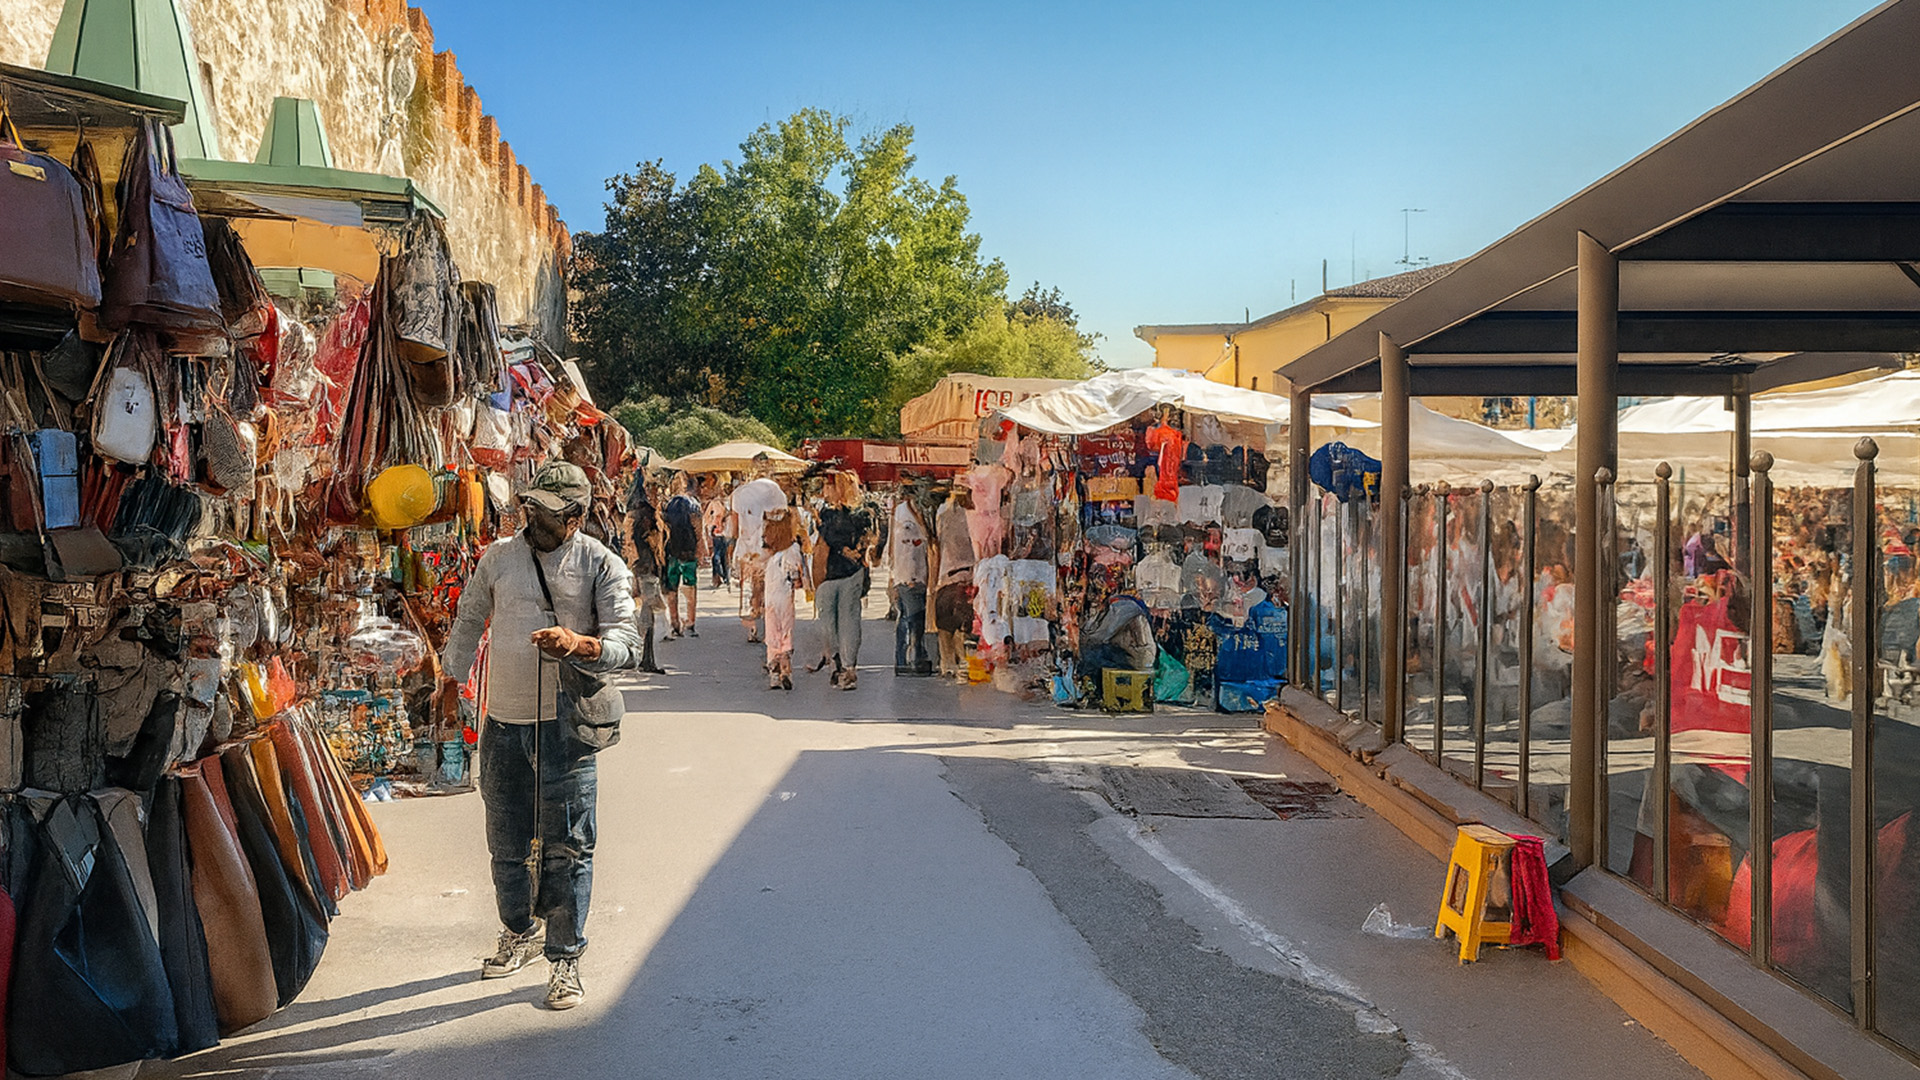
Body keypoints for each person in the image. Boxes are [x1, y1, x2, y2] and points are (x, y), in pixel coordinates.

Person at [442, 463, 639, 1011]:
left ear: (574, 517)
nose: (533, 516)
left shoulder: (601, 564)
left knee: (569, 846)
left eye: (548, 511)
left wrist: (580, 644)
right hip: (502, 724)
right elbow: (468, 618)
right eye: (531, 505)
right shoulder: (498, 558)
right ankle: (518, 931)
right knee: (505, 843)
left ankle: (565, 959)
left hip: (566, 728)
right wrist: (450, 679)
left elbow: (627, 639)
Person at [812, 471, 874, 690]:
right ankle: (848, 668)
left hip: (829, 574)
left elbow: (825, 541)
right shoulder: (864, 514)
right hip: (853, 572)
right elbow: (869, 542)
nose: (824, 491)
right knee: (849, 621)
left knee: (829, 623)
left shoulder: (827, 515)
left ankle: (837, 663)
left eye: (828, 486)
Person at [730, 464, 788, 643]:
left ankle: (755, 626)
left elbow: (734, 528)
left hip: (748, 548)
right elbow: (785, 523)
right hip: (772, 548)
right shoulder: (778, 493)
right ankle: (771, 626)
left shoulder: (740, 493)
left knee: (753, 587)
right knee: (771, 587)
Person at [623, 473, 667, 673]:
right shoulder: (645, 515)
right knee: (646, 615)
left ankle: (644, 658)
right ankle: (643, 658)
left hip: (642, 569)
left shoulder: (637, 513)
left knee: (647, 614)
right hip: (645, 569)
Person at [762, 507, 804, 690]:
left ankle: (774, 672)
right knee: (786, 632)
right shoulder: (793, 549)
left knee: (772, 634)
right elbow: (796, 579)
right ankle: (786, 668)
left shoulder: (767, 554)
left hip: (770, 598)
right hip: (786, 597)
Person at [891, 491, 932, 676]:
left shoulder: (918, 511)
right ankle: (913, 659)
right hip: (910, 575)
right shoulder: (904, 514)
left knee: (907, 617)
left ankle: (904, 659)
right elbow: (903, 546)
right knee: (913, 618)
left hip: (911, 574)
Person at [661, 474, 702, 637]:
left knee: (672, 588)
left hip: (671, 552)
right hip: (688, 552)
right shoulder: (694, 504)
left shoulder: (666, 505)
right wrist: (701, 548)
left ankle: (674, 621)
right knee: (690, 586)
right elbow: (698, 528)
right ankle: (690, 622)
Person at [705, 479, 734, 590]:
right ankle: (719, 575)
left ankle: (726, 577)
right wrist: (709, 526)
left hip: (728, 532)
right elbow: (706, 516)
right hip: (717, 532)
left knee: (726, 556)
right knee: (716, 556)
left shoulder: (731, 502)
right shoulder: (714, 503)